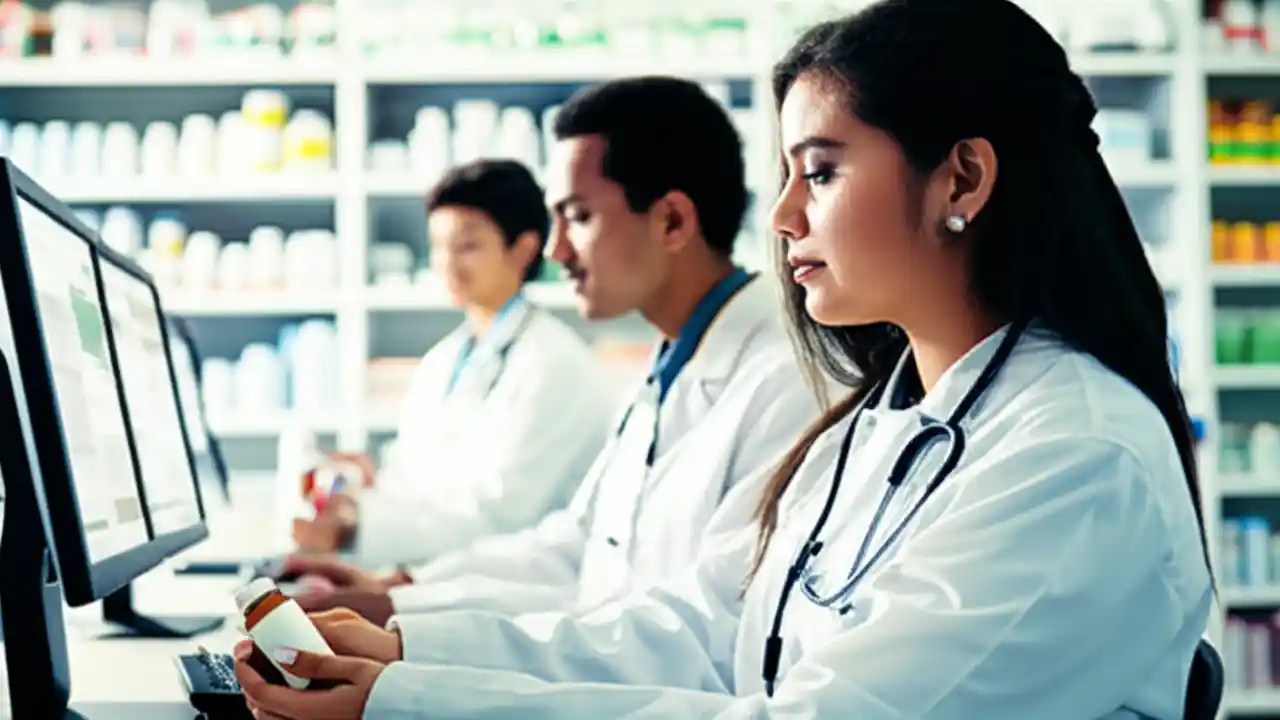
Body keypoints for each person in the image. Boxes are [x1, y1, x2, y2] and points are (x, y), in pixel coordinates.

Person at [234, 1, 1214, 718]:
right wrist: (408, 646)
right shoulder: (874, 427)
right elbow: (707, 632)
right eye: (785, 176)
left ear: (961, 178)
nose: (783, 217)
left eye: (819, 173)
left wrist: (413, 700)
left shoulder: (1073, 457)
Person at [279, 77, 830, 626]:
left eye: (580, 217)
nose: (555, 249)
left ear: (672, 221)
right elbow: (579, 551)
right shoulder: (671, 366)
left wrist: (403, 627)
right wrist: (402, 591)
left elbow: (693, 634)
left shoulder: (784, 384)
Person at [291, 159, 612, 568]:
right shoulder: (444, 359)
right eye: (439, 245)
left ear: (524, 248)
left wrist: (357, 526)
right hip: (430, 574)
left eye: (467, 246)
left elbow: (498, 514)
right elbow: (417, 482)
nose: (446, 262)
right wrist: (359, 490)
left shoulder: (554, 366)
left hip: (511, 591)